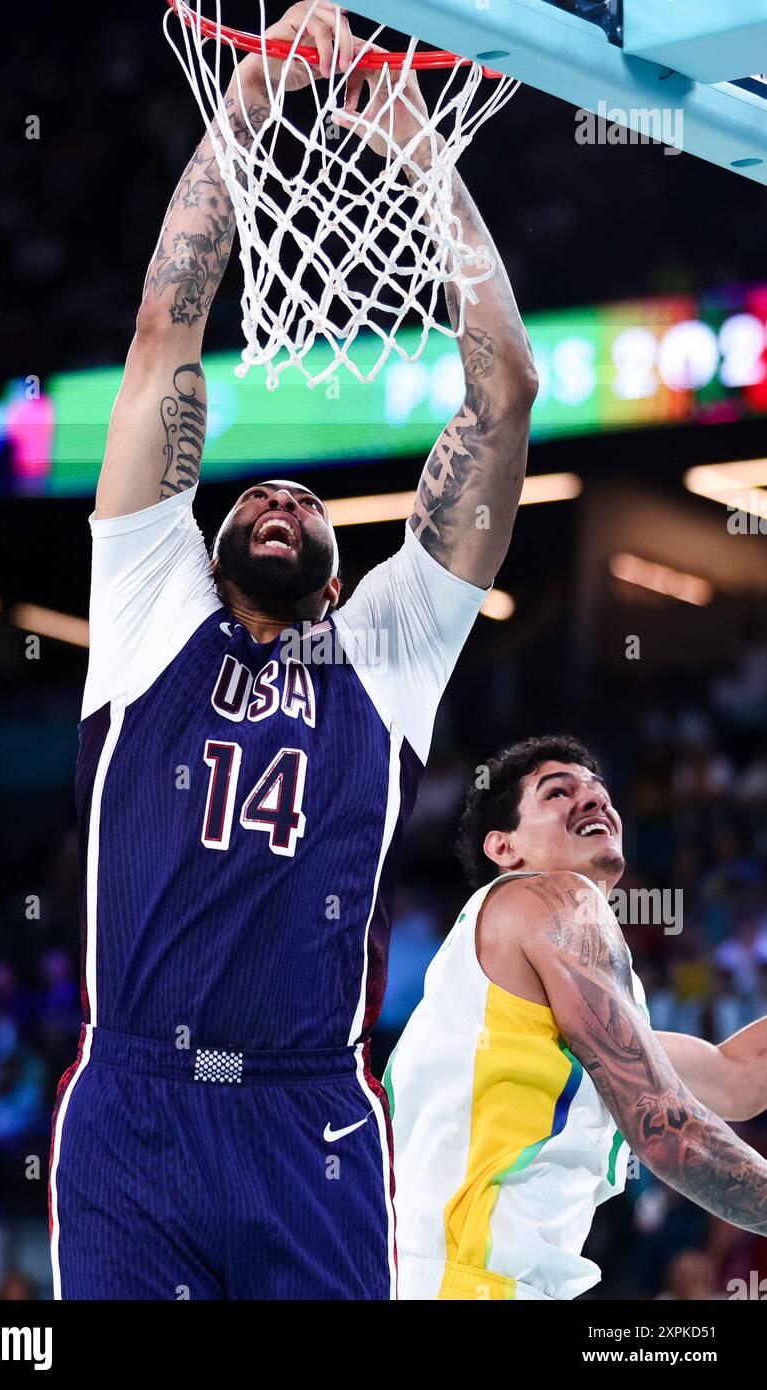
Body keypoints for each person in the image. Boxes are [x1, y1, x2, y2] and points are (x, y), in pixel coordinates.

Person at [48, 2, 538, 1300]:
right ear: (206, 539)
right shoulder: (149, 604)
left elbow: (503, 394)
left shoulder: (387, 647)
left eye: (305, 503)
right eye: (252, 497)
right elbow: (166, 329)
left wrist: (414, 144)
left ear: (341, 557)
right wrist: (254, 92)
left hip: (308, 1116)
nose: (276, 500)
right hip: (136, 1102)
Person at [386, 735, 767, 1300]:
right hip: (462, 1283)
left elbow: (738, 1078)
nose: (593, 802)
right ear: (503, 847)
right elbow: (666, 1128)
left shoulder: (534, 1015)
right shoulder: (550, 899)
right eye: (557, 793)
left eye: (599, 792)